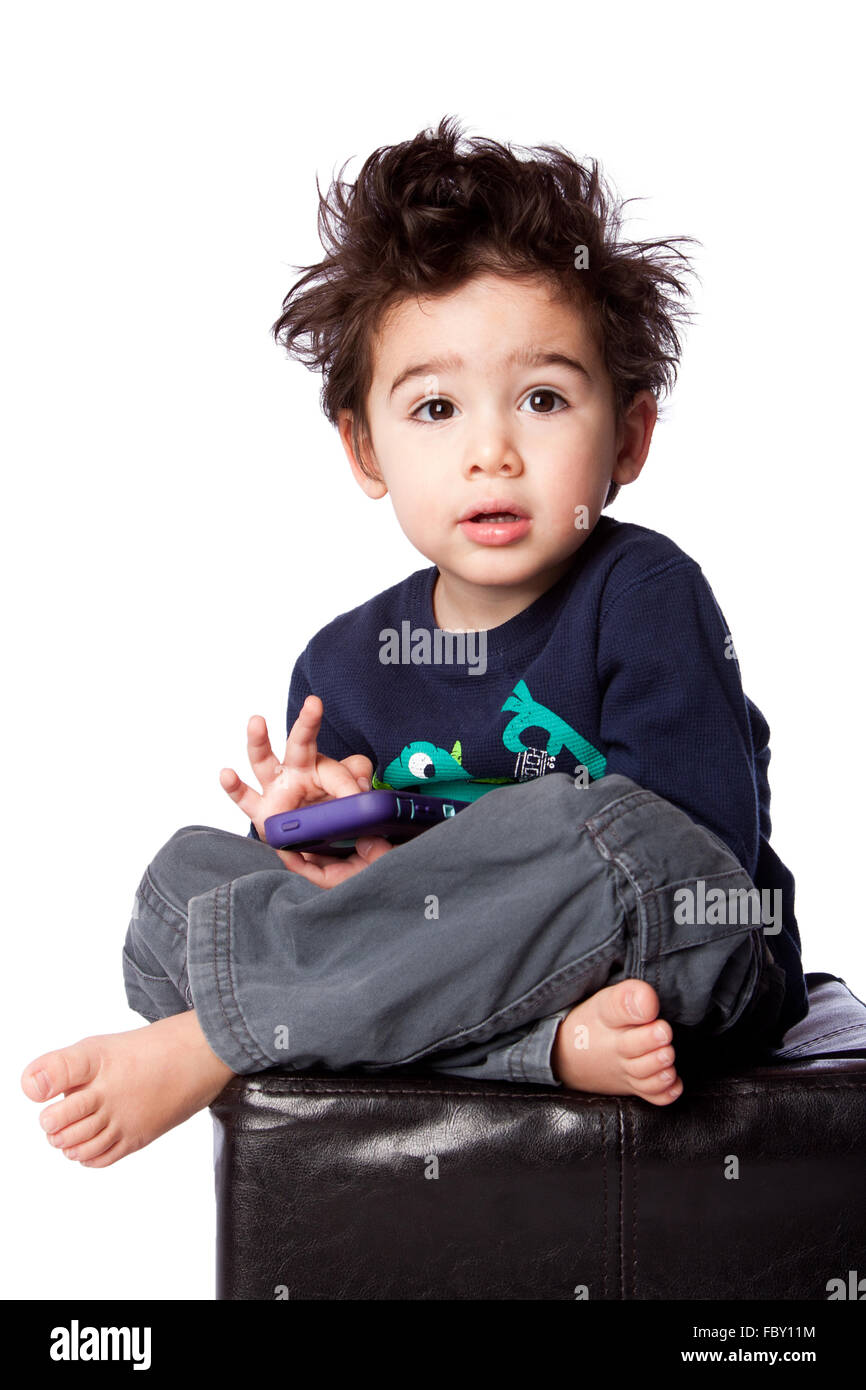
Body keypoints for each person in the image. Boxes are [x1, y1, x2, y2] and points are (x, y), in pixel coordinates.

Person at [21, 116, 806, 1168]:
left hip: (676, 947)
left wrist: (422, 887)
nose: (489, 451)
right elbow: (355, 914)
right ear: (362, 447)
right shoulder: (343, 662)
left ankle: (218, 1035)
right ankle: (538, 1052)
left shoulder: (643, 590)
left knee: (603, 833)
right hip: (469, 984)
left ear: (626, 435)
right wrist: (315, 843)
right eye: (434, 407)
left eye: (540, 398)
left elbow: (680, 868)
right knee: (182, 888)